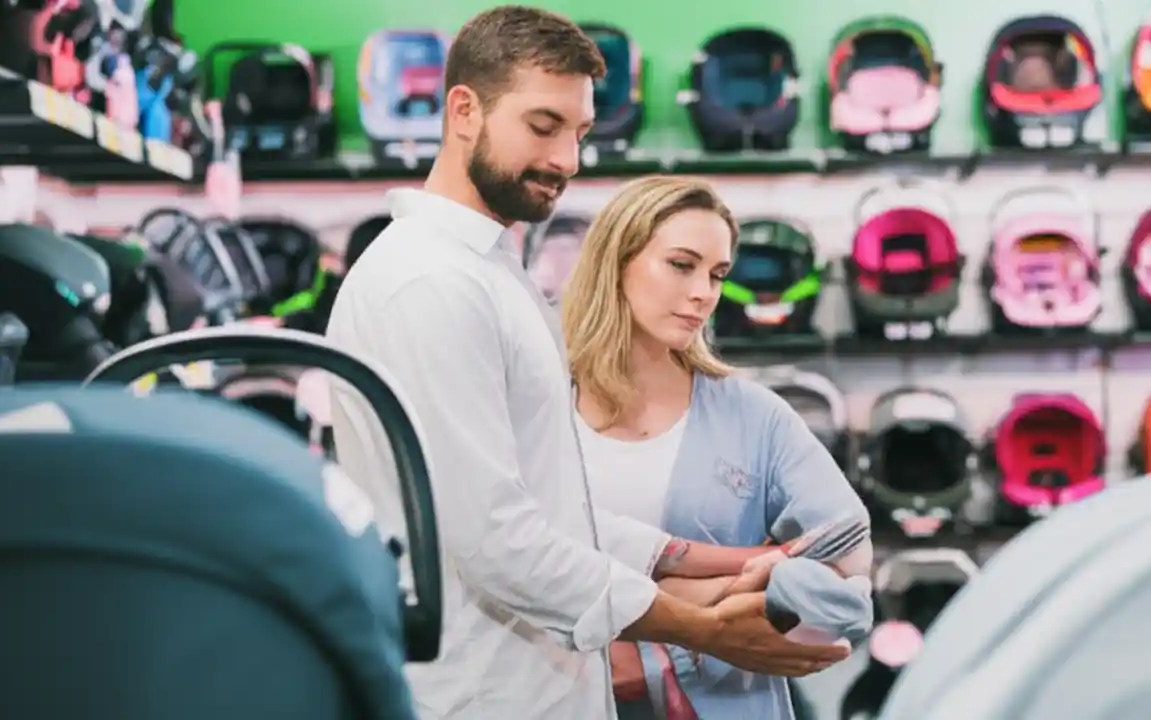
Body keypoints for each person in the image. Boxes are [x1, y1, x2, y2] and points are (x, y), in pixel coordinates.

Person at [324, 6, 850, 719]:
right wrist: (698, 628)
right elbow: (494, 536)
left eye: (579, 133)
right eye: (543, 127)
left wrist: (704, 560)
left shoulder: (486, 271)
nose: (568, 161)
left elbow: (547, 503)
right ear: (464, 110)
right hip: (482, 695)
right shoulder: (433, 286)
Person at [561, 175, 874, 719]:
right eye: (681, 265)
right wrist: (721, 589)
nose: (705, 291)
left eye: (718, 274)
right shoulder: (538, 406)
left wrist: (648, 620)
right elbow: (507, 560)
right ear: (616, 260)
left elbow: (848, 564)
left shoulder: (754, 418)